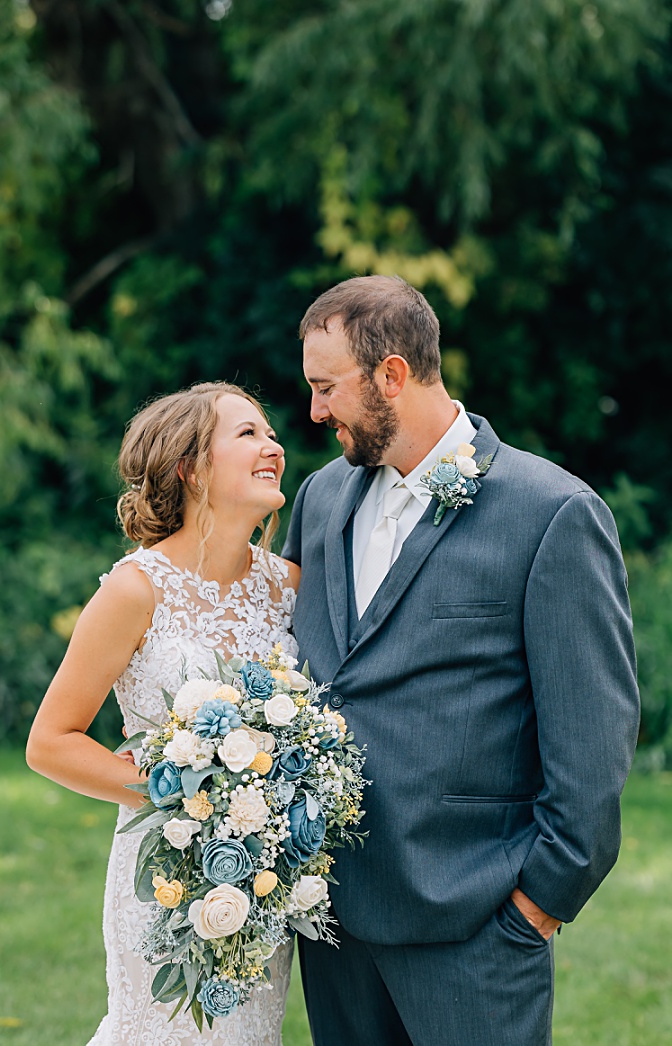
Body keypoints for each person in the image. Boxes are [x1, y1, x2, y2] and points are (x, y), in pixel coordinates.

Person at [282, 275, 639, 1046]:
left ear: (392, 376)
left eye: (325, 387)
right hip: (331, 922)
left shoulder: (551, 514)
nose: (313, 412)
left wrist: (537, 904)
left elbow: (592, 737)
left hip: (472, 930)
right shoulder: (318, 498)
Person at [27, 382, 297, 1045]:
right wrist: (180, 792)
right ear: (190, 466)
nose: (274, 447)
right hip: (166, 876)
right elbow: (51, 741)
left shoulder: (289, 586)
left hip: (262, 877)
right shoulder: (135, 589)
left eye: (270, 433)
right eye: (247, 435)